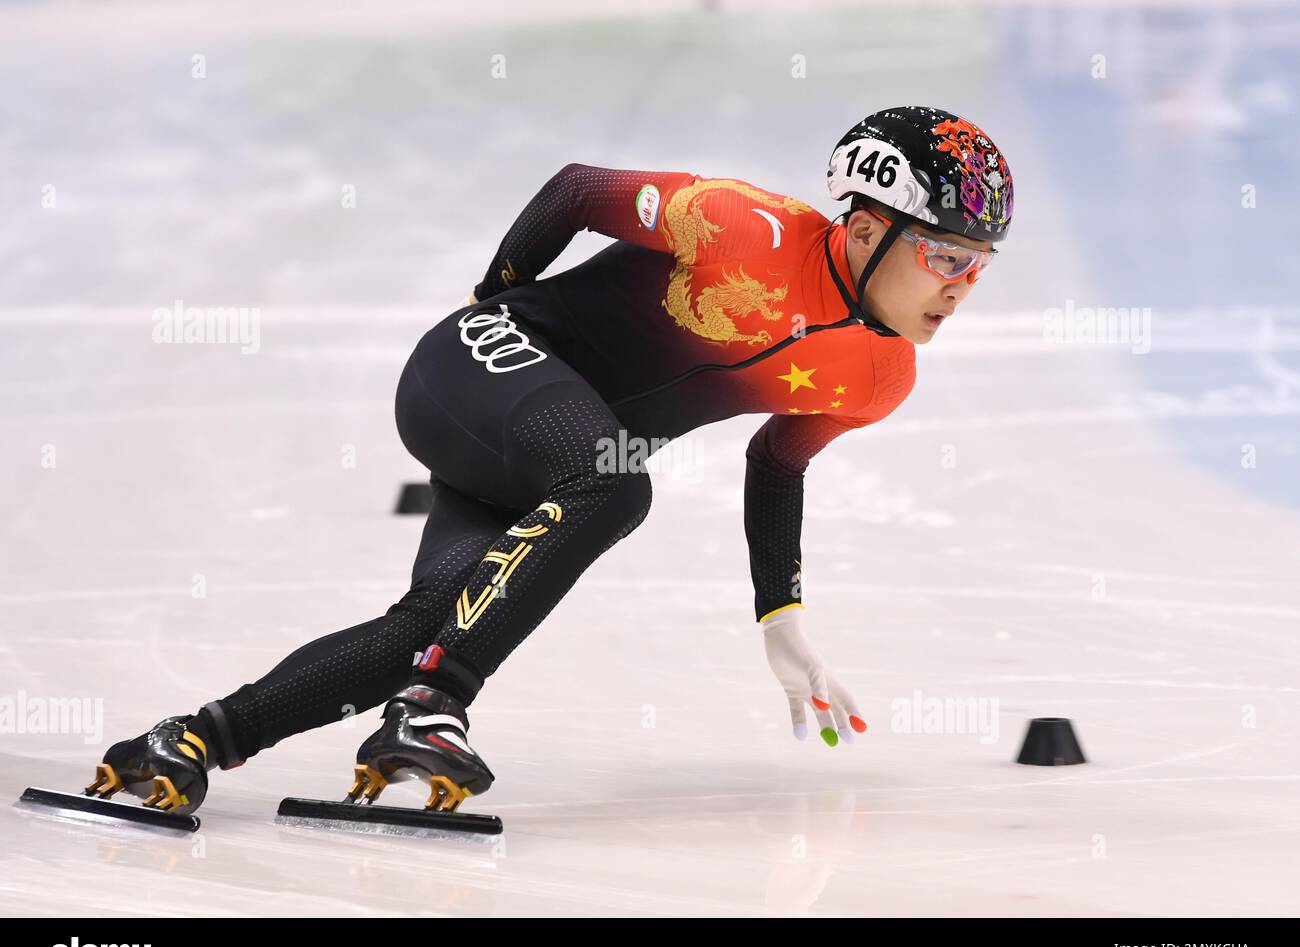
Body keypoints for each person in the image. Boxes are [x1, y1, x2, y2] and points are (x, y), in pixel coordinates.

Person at [86, 106, 1014, 817]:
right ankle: (436, 704)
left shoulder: (883, 375)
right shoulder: (741, 227)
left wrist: (782, 616)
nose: (959, 288)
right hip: (477, 370)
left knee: (427, 624)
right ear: (863, 227)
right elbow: (577, 188)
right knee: (615, 480)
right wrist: (487, 310)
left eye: (980, 266)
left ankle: (191, 740)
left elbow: (777, 465)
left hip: (543, 460)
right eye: (945, 254)